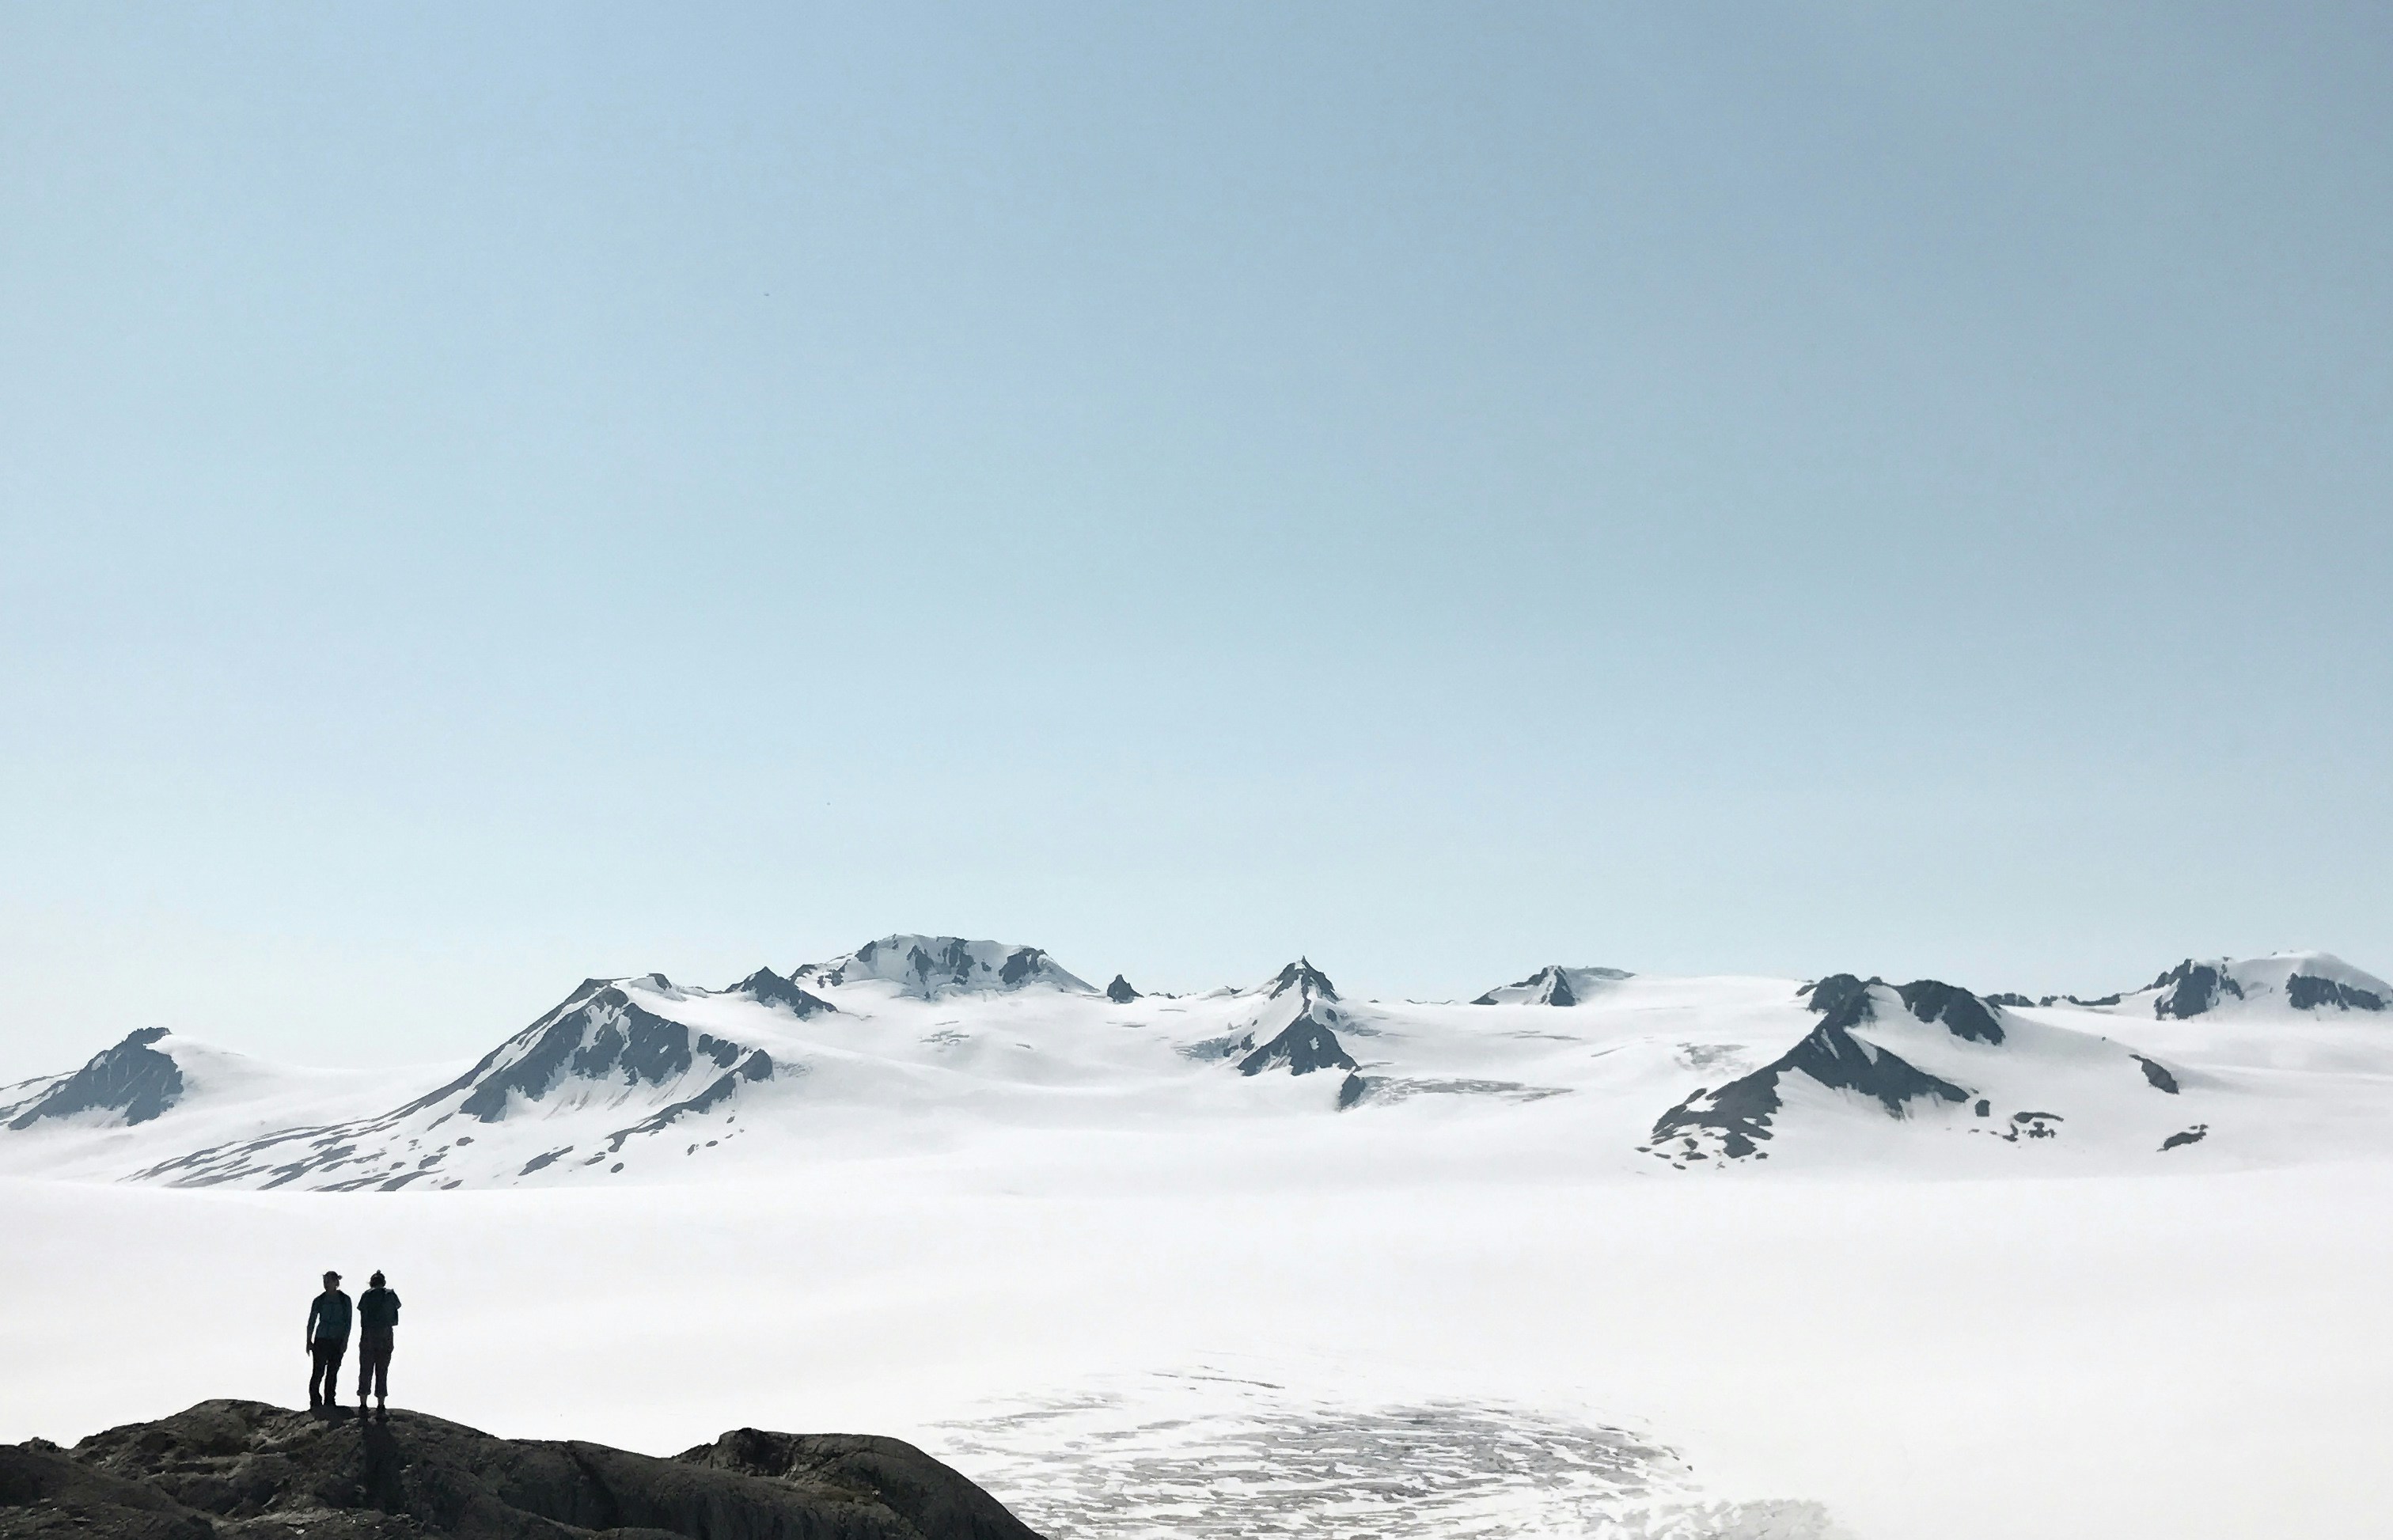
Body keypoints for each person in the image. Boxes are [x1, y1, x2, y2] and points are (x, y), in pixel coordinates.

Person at [355, 1271, 402, 1419]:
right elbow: (398, 1306)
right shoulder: (390, 1295)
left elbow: (362, 1312)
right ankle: (380, 1404)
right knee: (382, 1371)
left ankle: (363, 1404)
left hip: (368, 1336)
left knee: (365, 1370)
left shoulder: (366, 1295)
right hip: (386, 1336)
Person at [305, 1271, 352, 1414]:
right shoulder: (319, 1300)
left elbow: (348, 1323)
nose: (326, 1284)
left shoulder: (345, 1300)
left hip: (337, 1339)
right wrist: (308, 1340)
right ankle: (315, 1401)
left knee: (333, 1371)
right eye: (325, 1281)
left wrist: (345, 1341)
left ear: (336, 1283)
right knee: (318, 1371)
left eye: (329, 1281)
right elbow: (312, 1320)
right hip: (321, 1338)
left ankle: (330, 1400)